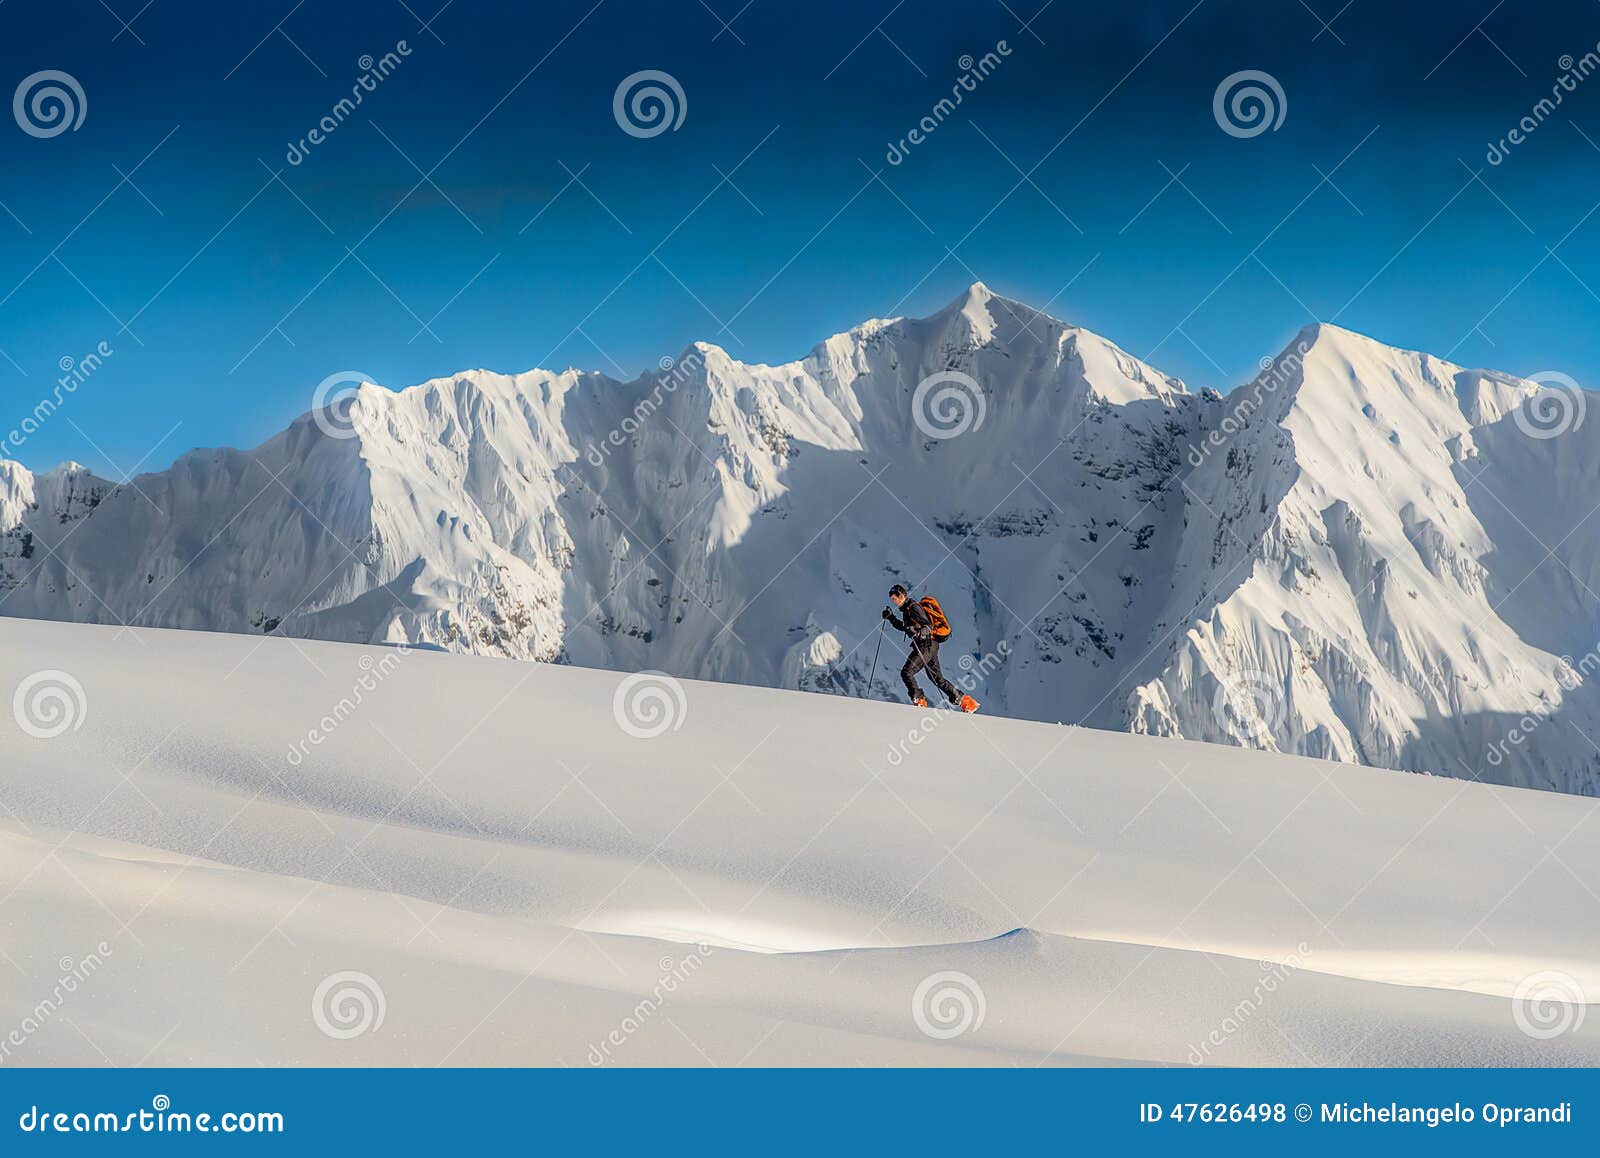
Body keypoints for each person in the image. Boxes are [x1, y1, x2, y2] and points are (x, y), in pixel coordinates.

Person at [883, 584, 977, 712]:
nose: (893, 601)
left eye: (894, 598)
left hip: (926, 645)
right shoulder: (907, 610)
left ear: (902, 596)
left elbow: (928, 626)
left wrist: (916, 632)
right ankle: (966, 702)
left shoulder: (914, 608)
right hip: (930, 645)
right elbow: (906, 628)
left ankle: (919, 700)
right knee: (936, 678)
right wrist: (892, 619)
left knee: (906, 672)